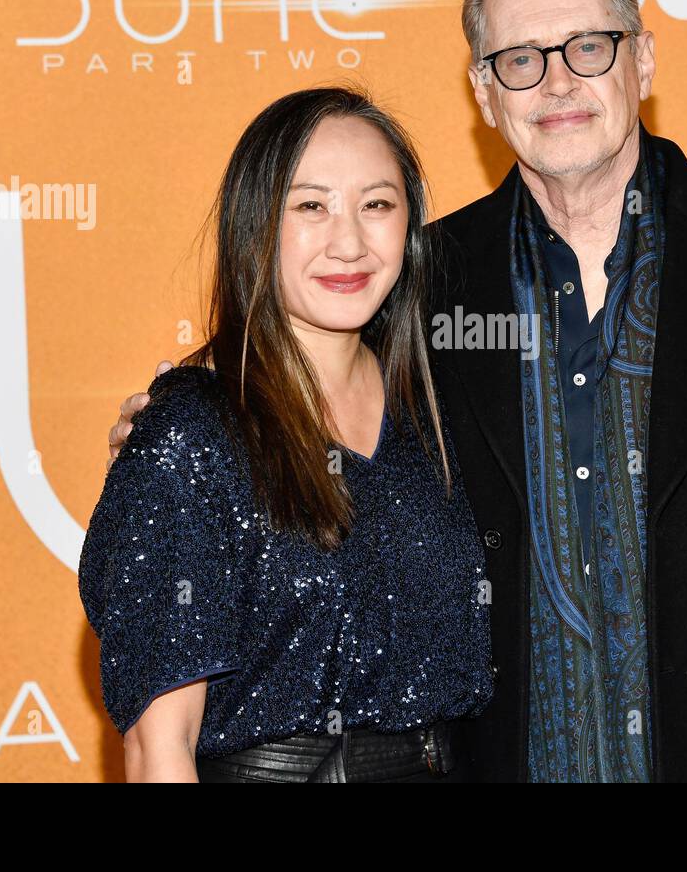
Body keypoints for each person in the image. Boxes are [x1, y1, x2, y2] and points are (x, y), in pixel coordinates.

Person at [111, 0, 687, 783]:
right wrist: (189, 410)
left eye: (588, 47)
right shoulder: (422, 281)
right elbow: (296, 358)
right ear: (485, 95)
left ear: (641, 61)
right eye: (520, 59)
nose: (557, 80)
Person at [79, 86, 493, 782]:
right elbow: (160, 750)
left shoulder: (437, 413)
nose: (350, 241)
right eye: (311, 205)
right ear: (255, 225)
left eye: (378, 204)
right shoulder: (193, 433)